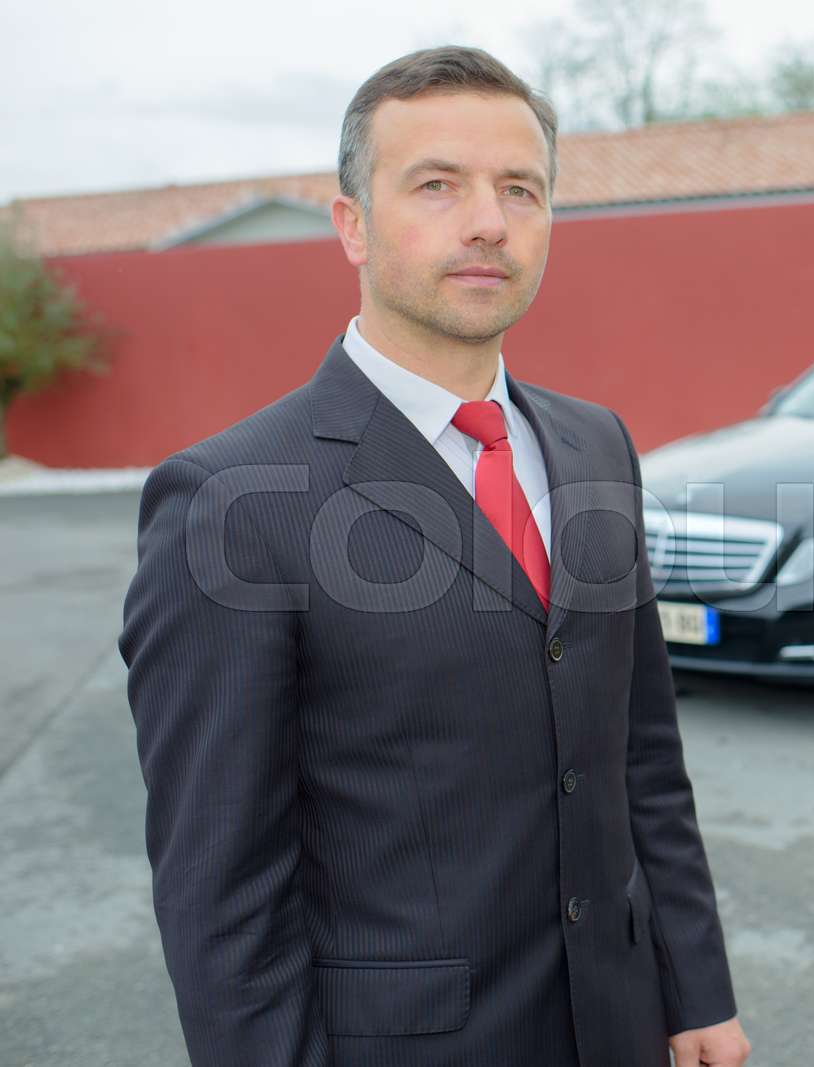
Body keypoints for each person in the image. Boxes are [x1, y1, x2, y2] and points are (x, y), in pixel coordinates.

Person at [118, 45, 750, 1067]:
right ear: (352, 225)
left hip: (623, 1026)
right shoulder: (232, 501)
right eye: (438, 185)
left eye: (520, 189)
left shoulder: (597, 445)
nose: (489, 221)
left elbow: (641, 756)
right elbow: (222, 891)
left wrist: (696, 989)